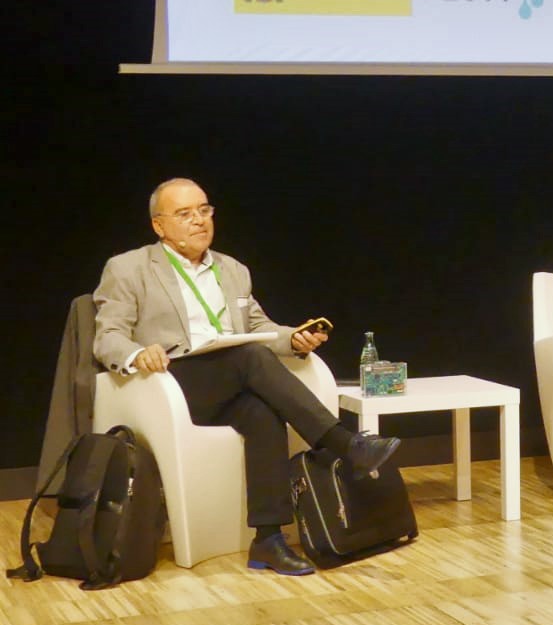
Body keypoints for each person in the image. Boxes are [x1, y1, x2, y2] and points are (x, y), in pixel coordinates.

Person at [92, 179, 399, 576]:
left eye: (204, 210)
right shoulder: (129, 268)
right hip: (171, 383)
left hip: (232, 376)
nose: (198, 221)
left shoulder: (232, 270)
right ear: (159, 226)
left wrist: (295, 339)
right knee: (249, 357)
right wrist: (138, 353)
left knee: (262, 413)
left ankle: (268, 540)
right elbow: (108, 335)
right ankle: (344, 443)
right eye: (184, 214)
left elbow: (259, 325)